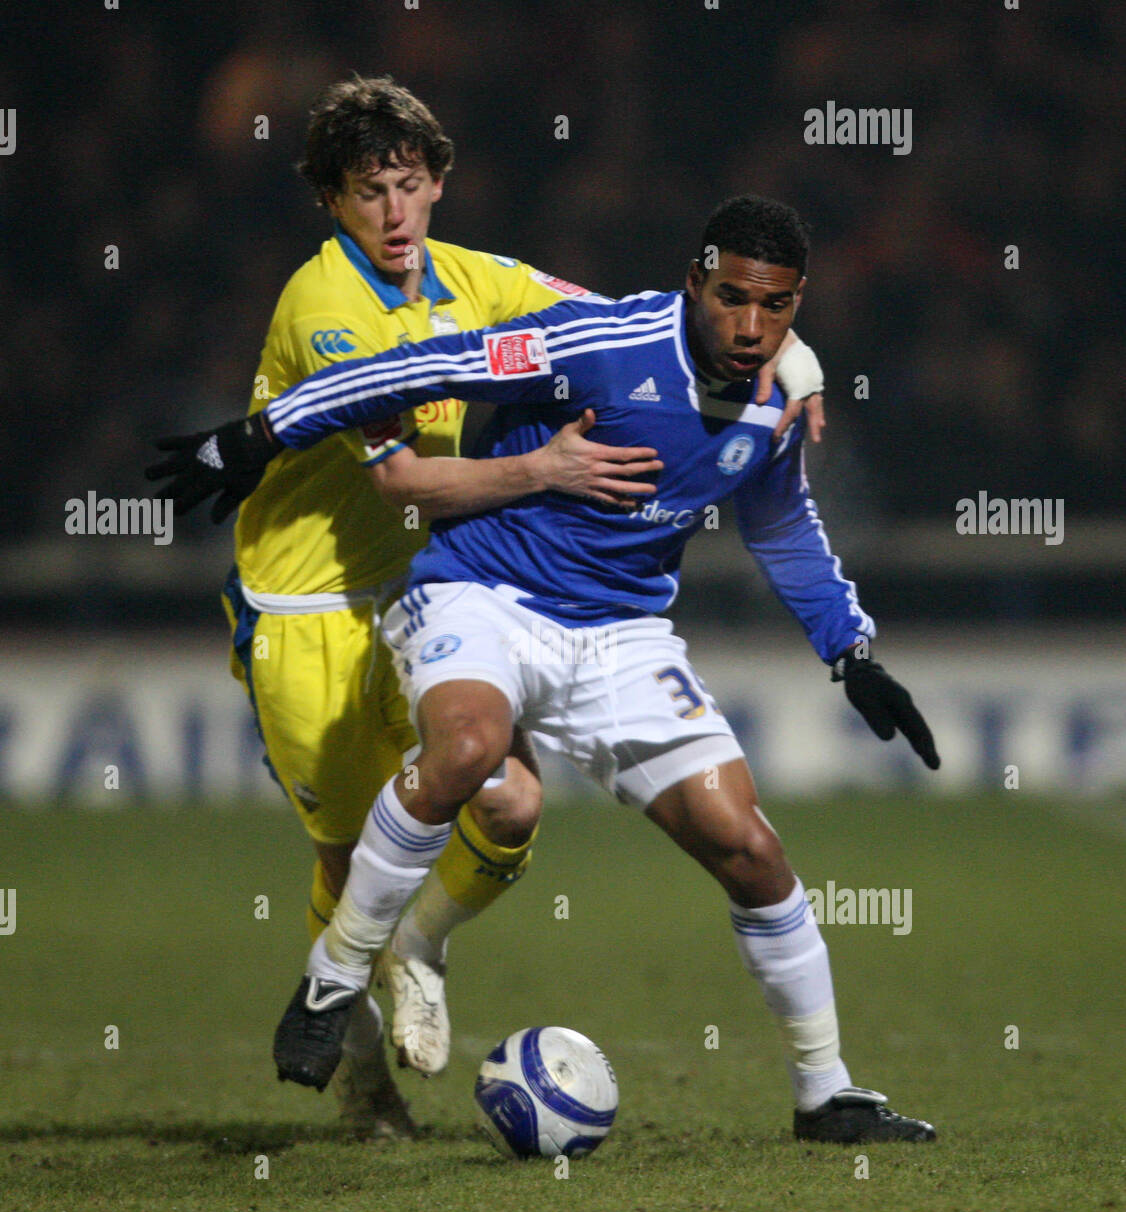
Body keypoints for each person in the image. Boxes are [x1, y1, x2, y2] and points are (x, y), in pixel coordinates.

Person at [154, 194, 938, 1142]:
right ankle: (332, 979)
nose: (749, 325)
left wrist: (849, 650)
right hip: (481, 593)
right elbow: (423, 365)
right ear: (695, 281)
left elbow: (780, 522)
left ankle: (826, 1095)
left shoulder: (779, 396)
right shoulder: (599, 344)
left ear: (797, 304)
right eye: (730, 297)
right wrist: (261, 432)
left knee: (752, 848)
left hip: (623, 635)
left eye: (773, 307)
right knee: (468, 751)